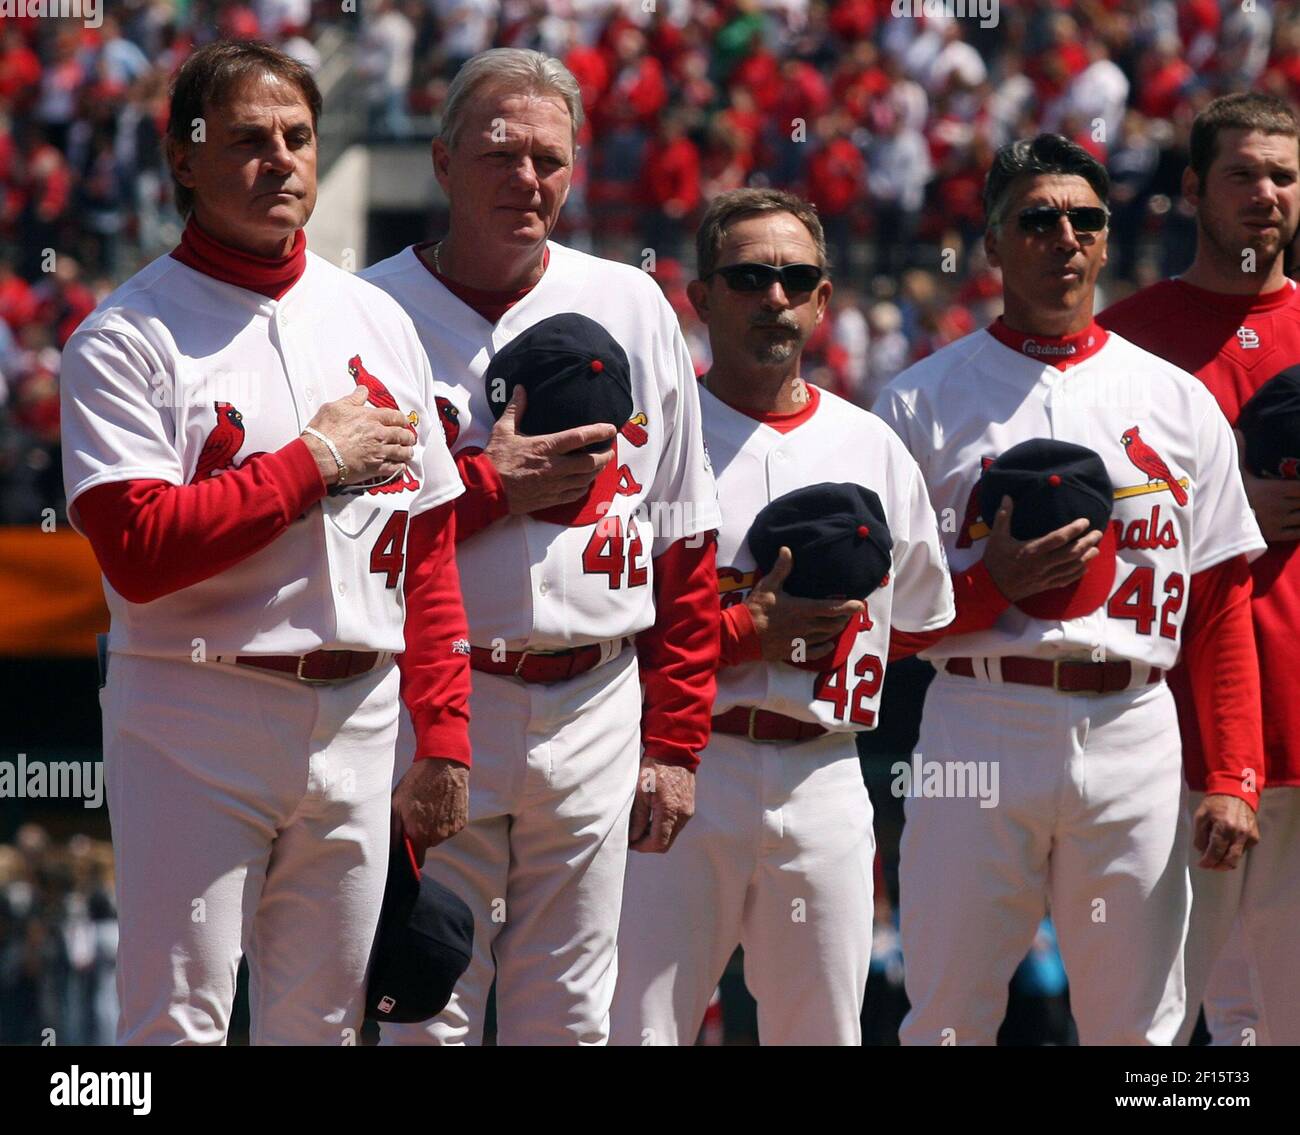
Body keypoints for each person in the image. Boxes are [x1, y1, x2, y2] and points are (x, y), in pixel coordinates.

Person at [59, 41, 470, 1045]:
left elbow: (427, 545)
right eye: (246, 139)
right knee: (177, 1020)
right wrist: (313, 459)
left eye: (296, 137)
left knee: (324, 1026)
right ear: (184, 160)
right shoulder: (126, 334)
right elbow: (141, 548)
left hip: (362, 720)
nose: (280, 159)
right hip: (194, 710)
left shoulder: (375, 316)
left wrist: (446, 731)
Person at [362, 47, 721, 1046]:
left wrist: (677, 743)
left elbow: (684, 539)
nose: (527, 179)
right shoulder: (365, 310)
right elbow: (347, 539)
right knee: (421, 1003)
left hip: (598, 695)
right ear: (440, 163)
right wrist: (490, 487)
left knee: (569, 1014)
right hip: (432, 695)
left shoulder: (635, 305)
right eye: (500, 154)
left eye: (549, 160)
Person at [874, 133, 1266, 1045]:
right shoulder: (919, 402)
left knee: (1145, 1032)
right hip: (978, 715)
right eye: (1038, 219)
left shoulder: (1176, 399)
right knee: (944, 1018)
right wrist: (985, 590)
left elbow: (1218, 606)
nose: (1065, 237)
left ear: (1104, 237)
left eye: (1085, 219)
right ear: (994, 244)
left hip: (1135, 724)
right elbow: (878, 620)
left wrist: (1232, 773)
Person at [609, 188, 954, 1046]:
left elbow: (918, 617)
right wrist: (742, 629)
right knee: (639, 1026)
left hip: (825, 768)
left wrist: (832, 640)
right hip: (682, 764)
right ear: (701, 294)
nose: (775, 297)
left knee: (824, 1031)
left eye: (797, 278)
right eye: (751, 276)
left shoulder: (870, 442)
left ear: (824, 299)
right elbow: (607, 624)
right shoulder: (648, 439)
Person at [1100, 92, 1300, 1046]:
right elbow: (1091, 532)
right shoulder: (1125, 341)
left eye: (1285, 175)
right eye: (1242, 174)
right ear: (1192, 190)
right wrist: (1225, 517)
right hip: (1177, 726)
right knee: (1163, 1019)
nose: (1266, 194)